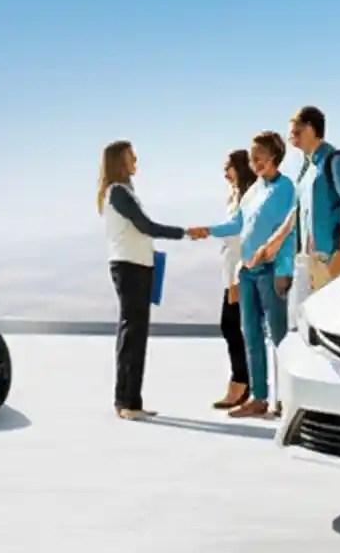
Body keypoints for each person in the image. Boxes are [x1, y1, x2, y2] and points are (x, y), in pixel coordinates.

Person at [189, 131, 297, 419]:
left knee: (279, 337)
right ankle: (259, 398)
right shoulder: (254, 190)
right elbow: (237, 223)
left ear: (274, 156)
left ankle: (289, 399)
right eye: (251, 158)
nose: (254, 162)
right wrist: (208, 230)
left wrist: (284, 269)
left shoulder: (286, 188)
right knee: (250, 334)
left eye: (259, 157)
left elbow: (291, 231)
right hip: (247, 271)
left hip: (271, 270)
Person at [97, 140, 189, 421]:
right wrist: (185, 232)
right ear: (119, 162)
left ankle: (130, 401)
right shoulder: (118, 193)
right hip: (130, 268)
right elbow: (145, 226)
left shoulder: (123, 192)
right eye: (130, 156)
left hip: (137, 266)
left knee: (135, 334)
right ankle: (126, 402)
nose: (135, 160)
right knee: (132, 335)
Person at [254, 105, 340, 297]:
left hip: (334, 261)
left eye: (296, 127)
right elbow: (297, 213)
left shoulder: (337, 162)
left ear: (311, 128)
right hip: (309, 263)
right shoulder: (305, 172)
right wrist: (273, 243)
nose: (290, 132)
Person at [212, 148, 256, 410]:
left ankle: (242, 382)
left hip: (242, 271)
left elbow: (244, 240)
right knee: (234, 326)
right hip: (231, 272)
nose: (224, 172)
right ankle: (243, 382)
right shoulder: (234, 198)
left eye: (228, 166)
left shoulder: (249, 199)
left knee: (233, 326)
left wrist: (237, 278)